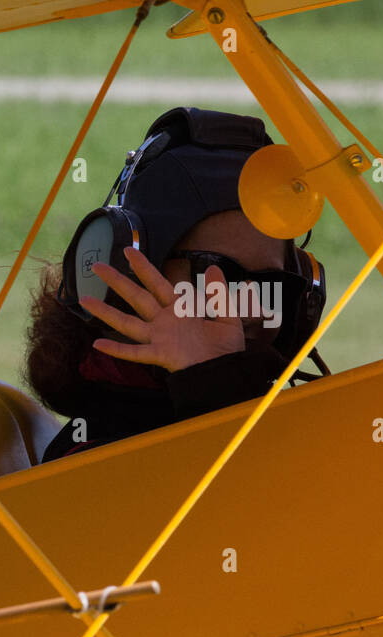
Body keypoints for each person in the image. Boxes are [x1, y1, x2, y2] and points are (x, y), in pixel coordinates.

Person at [24, 107, 328, 463]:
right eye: (217, 274)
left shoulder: (294, 427)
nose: (246, 309)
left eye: (272, 283)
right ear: (131, 273)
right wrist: (213, 390)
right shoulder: (86, 457)